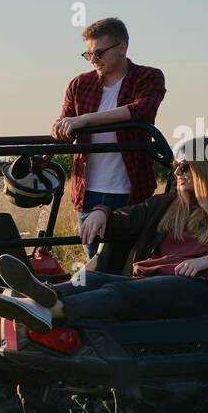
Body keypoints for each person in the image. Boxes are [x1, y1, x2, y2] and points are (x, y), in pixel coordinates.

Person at [0, 136, 208, 332]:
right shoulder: (166, 204)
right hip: (151, 281)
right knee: (95, 278)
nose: (177, 171)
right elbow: (125, 220)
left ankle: (52, 311)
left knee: (119, 291)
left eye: (186, 166)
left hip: (198, 289)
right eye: (175, 165)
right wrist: (100, 211)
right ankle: (34, 301)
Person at [51, 17, 167, 259]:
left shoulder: (149, 77)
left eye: (99, 53)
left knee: (131, 263)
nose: (94, 60)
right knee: (95, 263)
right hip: (88, 192)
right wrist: (58, 132)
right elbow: (64, 126)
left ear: (122, 47)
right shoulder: (79, 85)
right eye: (88, 54)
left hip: (132, 192)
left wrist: (84, 120)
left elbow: (141, 110)